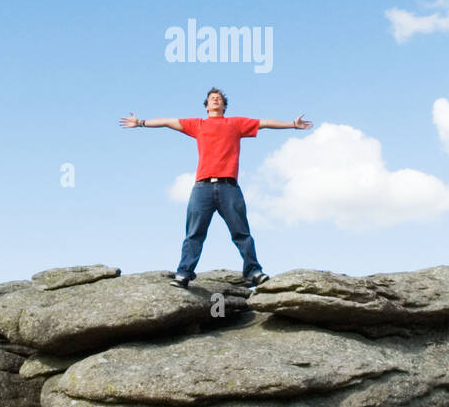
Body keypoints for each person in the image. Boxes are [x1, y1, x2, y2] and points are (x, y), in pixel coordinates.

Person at [119, 88, 313, 287]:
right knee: (194, 233)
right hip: (202, 187)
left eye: (219, 98)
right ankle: (184, 273)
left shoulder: (235, 123)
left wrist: (292, 125)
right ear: (206, 106)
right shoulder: (198, 125)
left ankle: (253, 271)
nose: (215, 100)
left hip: (229, 187)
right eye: (212, 98)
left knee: (241, 233)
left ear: (224, 106)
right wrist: (141, 122)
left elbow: (264, 123)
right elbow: (168, 122)